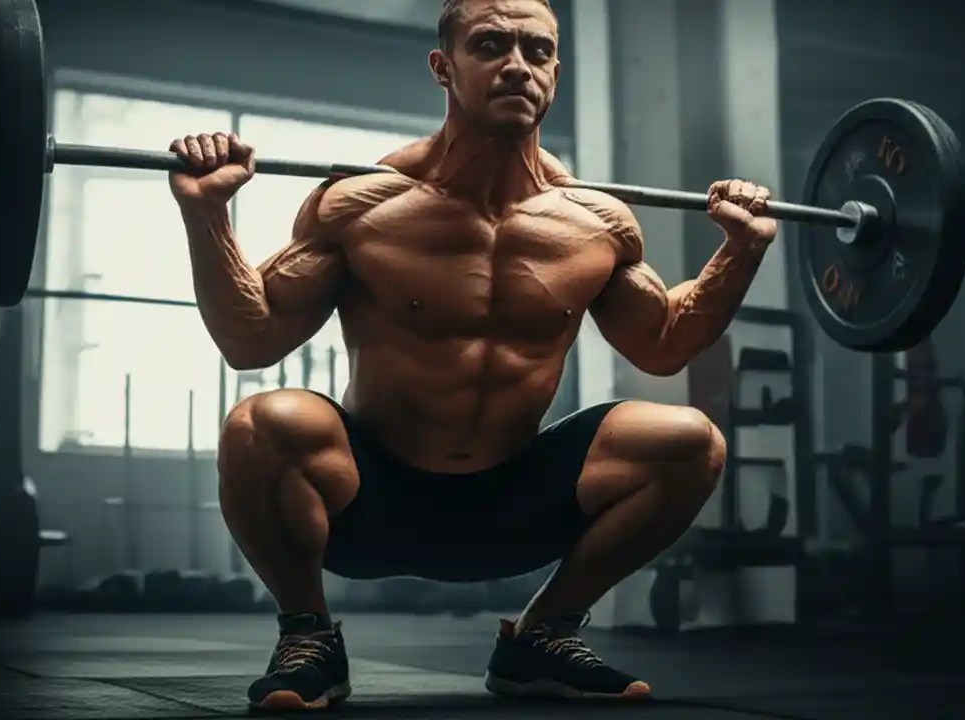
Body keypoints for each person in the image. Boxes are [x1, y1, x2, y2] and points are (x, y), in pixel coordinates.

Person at [167, 0, 776, 711]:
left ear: (555, 70)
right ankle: (309, 638)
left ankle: (542, 635)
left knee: (689, 442)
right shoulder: (362, 205)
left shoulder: (595, 221)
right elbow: (251, 339)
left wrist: (742, 251)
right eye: (491, 45)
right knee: (259, 425)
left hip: (512, 506)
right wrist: (206, 214)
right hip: (370, 504)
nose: (518, 65)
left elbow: (663, 346)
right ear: (443, 67)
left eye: (538, 51)